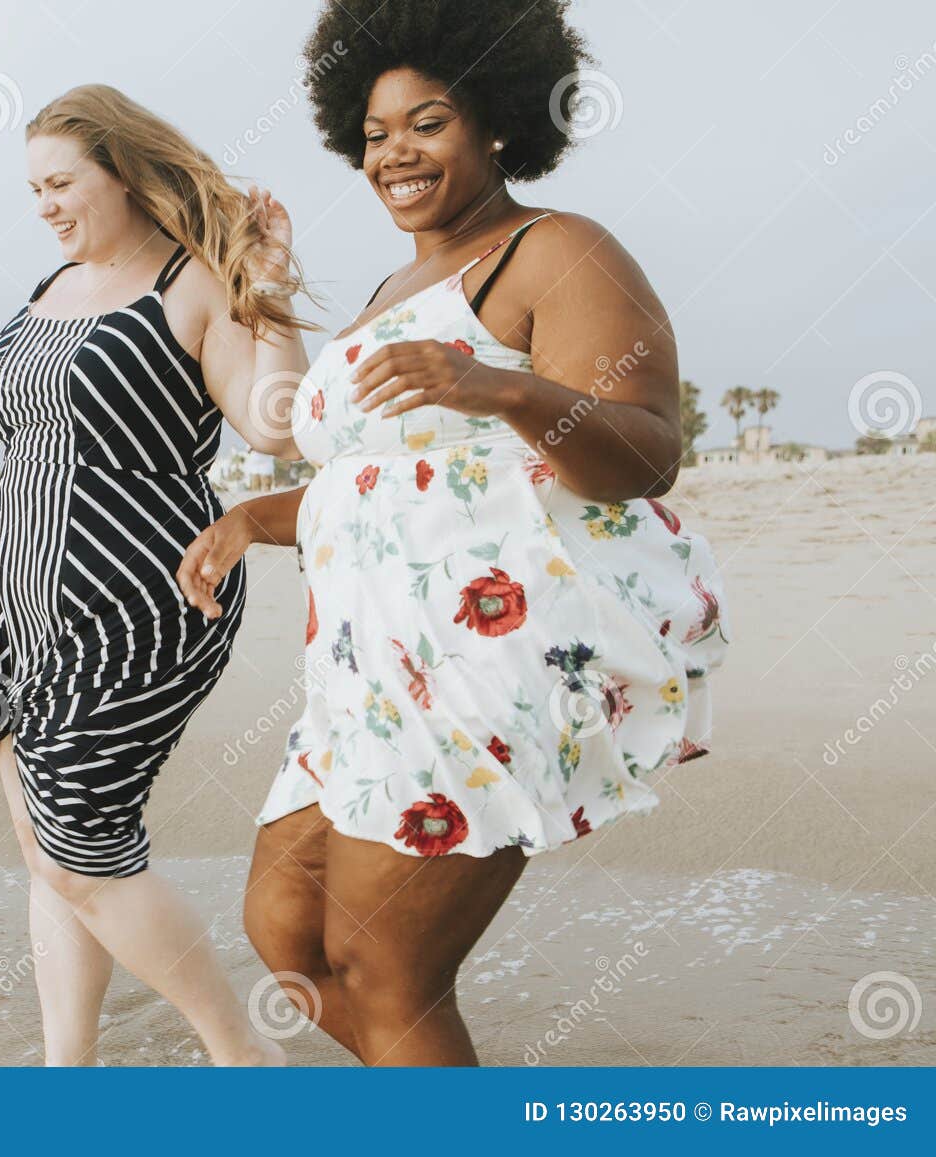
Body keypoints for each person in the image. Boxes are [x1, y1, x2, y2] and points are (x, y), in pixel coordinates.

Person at [176, 0, 729, 1067]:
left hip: (481, 659)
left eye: (426, 123)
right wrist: (254, 515)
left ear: (496, 124)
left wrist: (499, 388)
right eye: (376, 133)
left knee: (388, 968)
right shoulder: (390, 290)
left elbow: (649, 450)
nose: (396, 153)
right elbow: (386, 486)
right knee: (285, 934)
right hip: (363, 672)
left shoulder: (554, 247)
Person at [0, 84, 312, 1065]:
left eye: (61, 182)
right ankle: (70, 1069)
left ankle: (242, 1054)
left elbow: (274, 423)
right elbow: (33, 438)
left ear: (125, 172)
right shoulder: (51, 287)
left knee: (82, 847)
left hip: (143, 598)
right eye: (33, 188)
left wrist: (266, 282)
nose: (45, 204)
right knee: (40, 845)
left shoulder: (193, 282)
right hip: (22, 604)